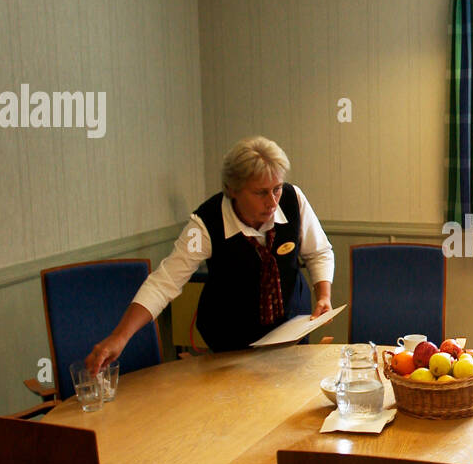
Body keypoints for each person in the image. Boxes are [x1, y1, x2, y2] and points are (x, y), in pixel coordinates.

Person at [87, 137, 333, 372]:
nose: (272, 202)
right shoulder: (206, 224)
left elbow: (319, 252)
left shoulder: (293, 199)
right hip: (231, 339)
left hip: (291, 328)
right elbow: (164, 283)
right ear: (232, 189)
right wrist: (119, 337)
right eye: (260, 193)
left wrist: (323, 295)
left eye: (276, 189)